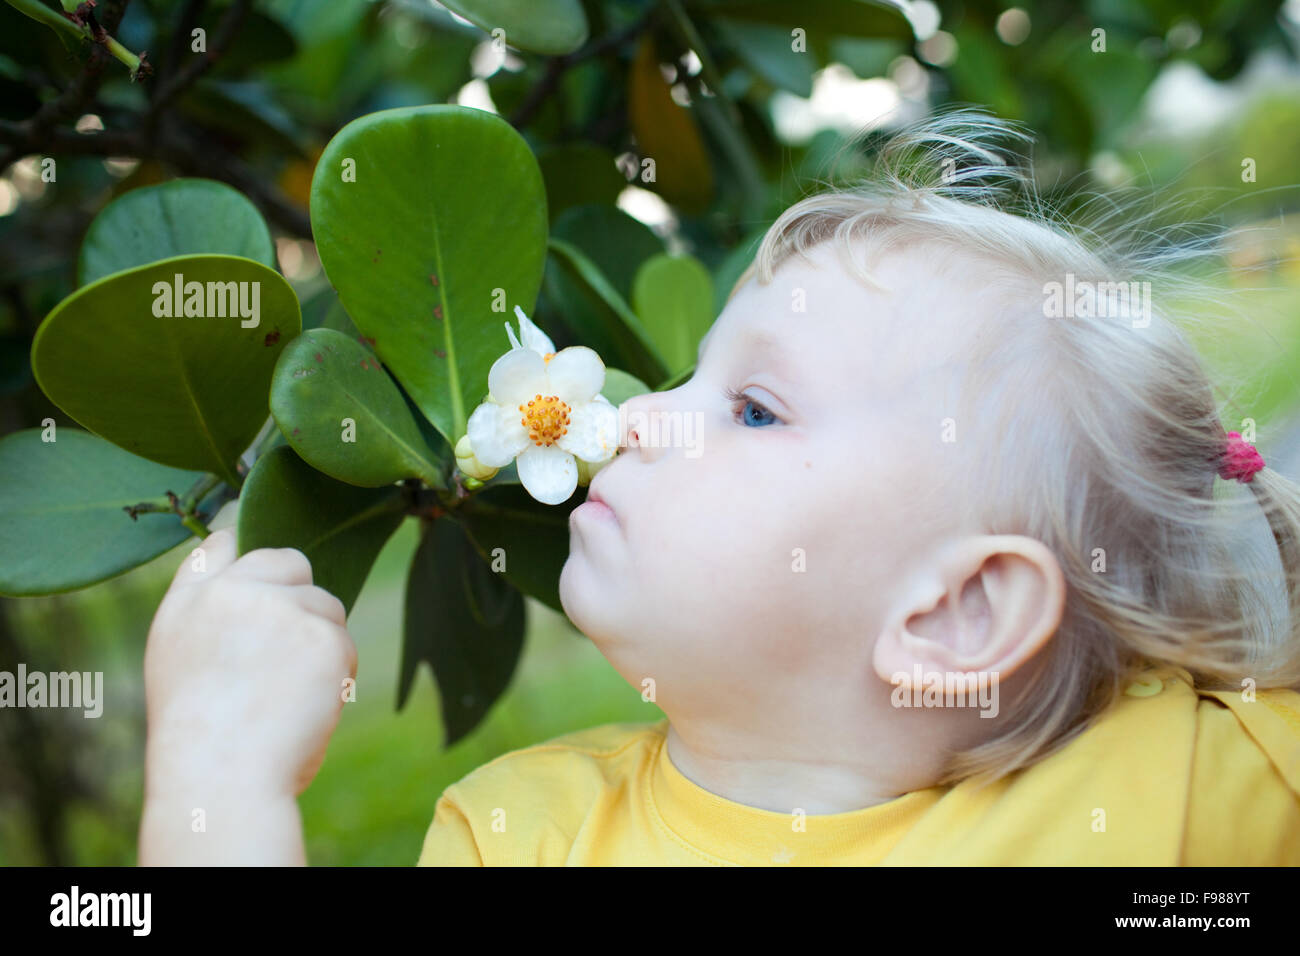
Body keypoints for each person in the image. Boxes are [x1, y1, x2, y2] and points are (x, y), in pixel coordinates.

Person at [137, 110, 1300, 866]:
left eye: (751, 407)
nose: (636, 414)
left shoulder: (1187, 775)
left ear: (958, 612)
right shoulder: (516, 835)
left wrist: (216, 772)